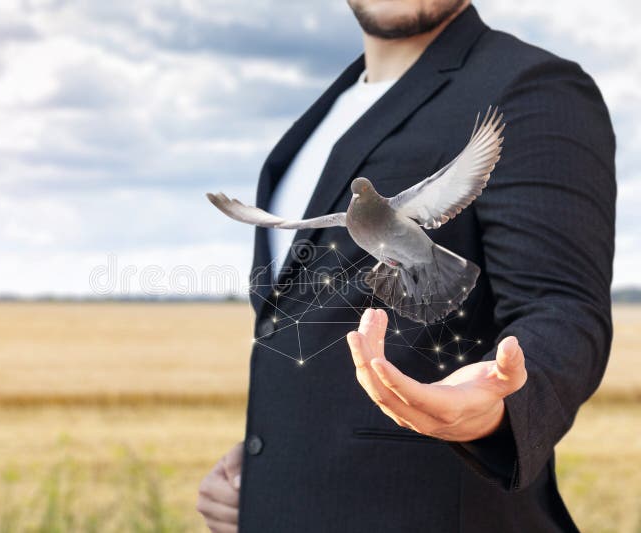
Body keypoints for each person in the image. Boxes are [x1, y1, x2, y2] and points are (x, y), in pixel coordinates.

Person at [197, 1, 616, 531]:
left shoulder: (532, 87)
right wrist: (269, 468)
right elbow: (316, 336)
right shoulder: (321, 116)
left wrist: (497, 404)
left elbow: (560, 306)